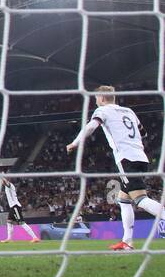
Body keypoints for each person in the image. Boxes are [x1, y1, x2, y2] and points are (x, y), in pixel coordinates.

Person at [66, 85, 163, 251]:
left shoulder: (102, 111)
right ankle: (127, 241)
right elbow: (143, 133)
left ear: (102, 98)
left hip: (126, 159)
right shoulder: (129, 111)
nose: (96, 101)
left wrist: (74, 143)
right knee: (123, 200)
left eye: (96, 98)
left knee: (140, 199)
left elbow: (90, 127)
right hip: (141, 157)